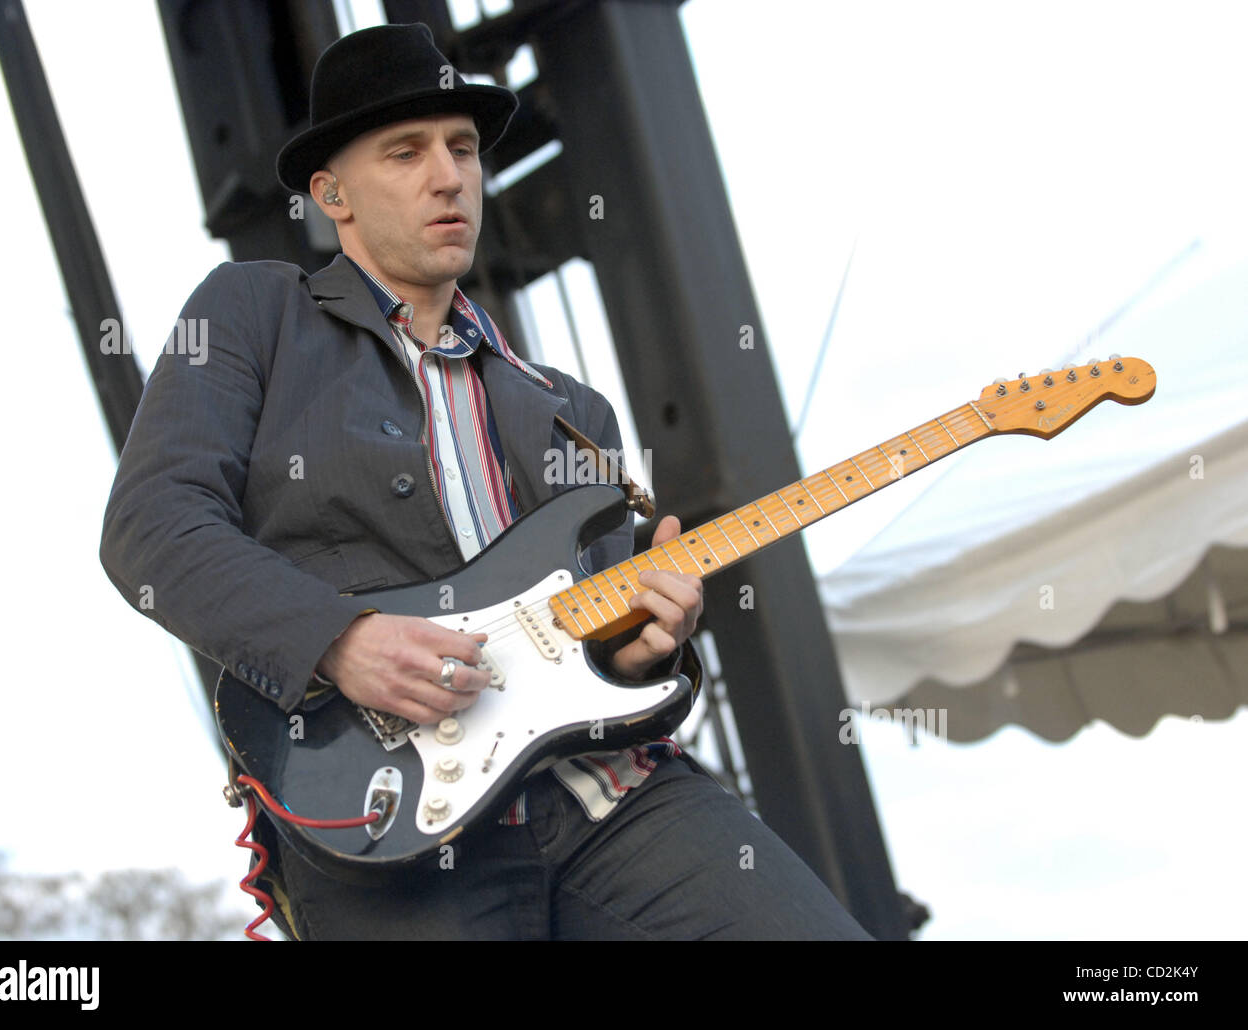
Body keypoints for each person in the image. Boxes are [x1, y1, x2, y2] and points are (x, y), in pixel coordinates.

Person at [100, 22, 871, 941]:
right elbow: (152, 524)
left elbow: (607, 644)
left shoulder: (571, 408)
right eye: (406, 151)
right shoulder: (255, 314)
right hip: (394, 820)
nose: (448, 175)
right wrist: (339, 639)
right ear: (330, 192)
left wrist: (645, 643)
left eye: (463, 148)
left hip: (605, 797)